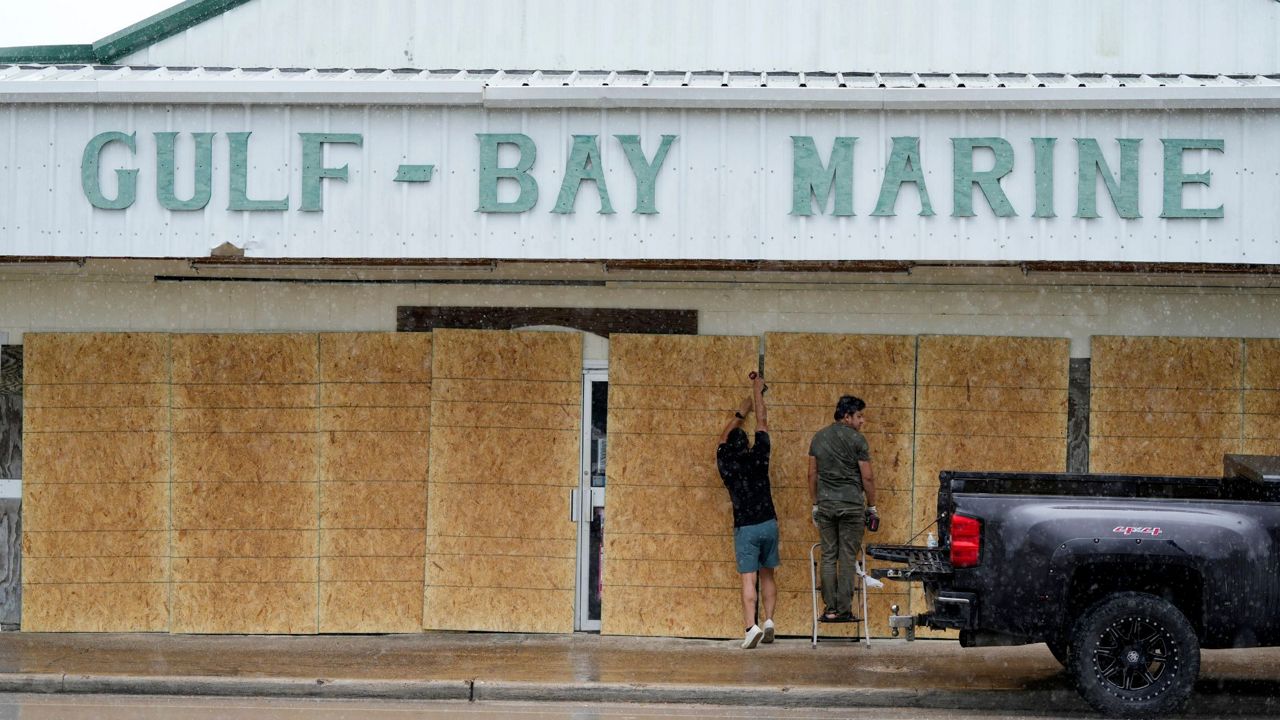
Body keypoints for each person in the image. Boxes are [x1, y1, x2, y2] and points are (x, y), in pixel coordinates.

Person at [715, 373, 778, 649]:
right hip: (768, 523)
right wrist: (757, 392)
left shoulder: (727, 466)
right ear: (749, 444)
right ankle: (769, 621)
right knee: (768, 575)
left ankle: (750, 627)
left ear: (730, 448)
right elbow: (763, 423)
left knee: (748, 578)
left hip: (746, 527)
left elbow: (721, 437)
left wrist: (740, 413)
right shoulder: (759, 456)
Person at [808, 395, 879, 623]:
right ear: (846, 416)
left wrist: (815, 505)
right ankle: (843, 610)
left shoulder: (818, 438)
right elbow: (867, 477)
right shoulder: (858, 441)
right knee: (848, 557)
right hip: (851, 507)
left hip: (826, 505)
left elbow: (812, 475)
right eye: (859, 416)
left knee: (828, 555)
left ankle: (829, 609)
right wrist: (872, 506)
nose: (862, 421)